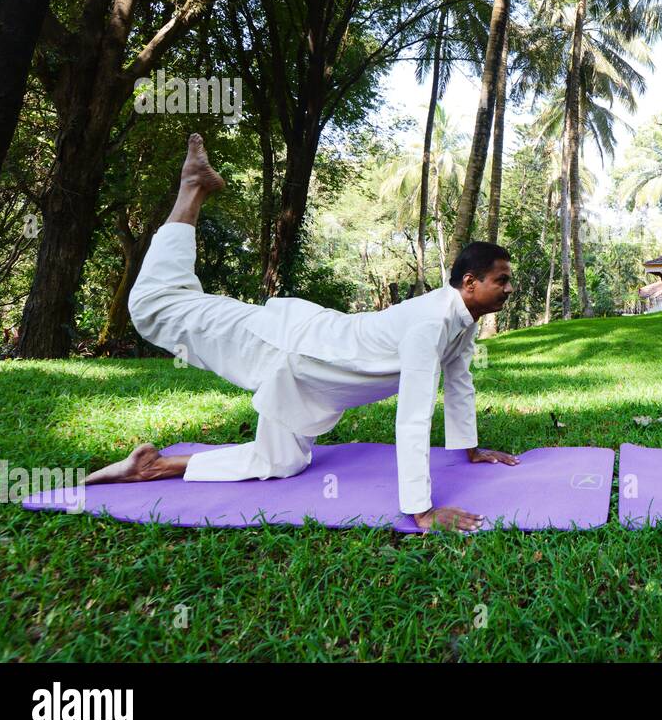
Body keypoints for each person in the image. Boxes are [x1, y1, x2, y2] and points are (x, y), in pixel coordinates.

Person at [85, 134, 517, 533]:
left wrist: (471, 450)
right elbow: (414, 417)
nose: (509, 289)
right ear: (469, 283)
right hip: (281, 342)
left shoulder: (460, 324)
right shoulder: (431, 322)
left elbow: (460, 383)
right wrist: (420, 509)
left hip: (306, 383)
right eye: (502, 280)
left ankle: (153, 467)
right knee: (153, 307)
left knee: (280, 462)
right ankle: (191, 188)